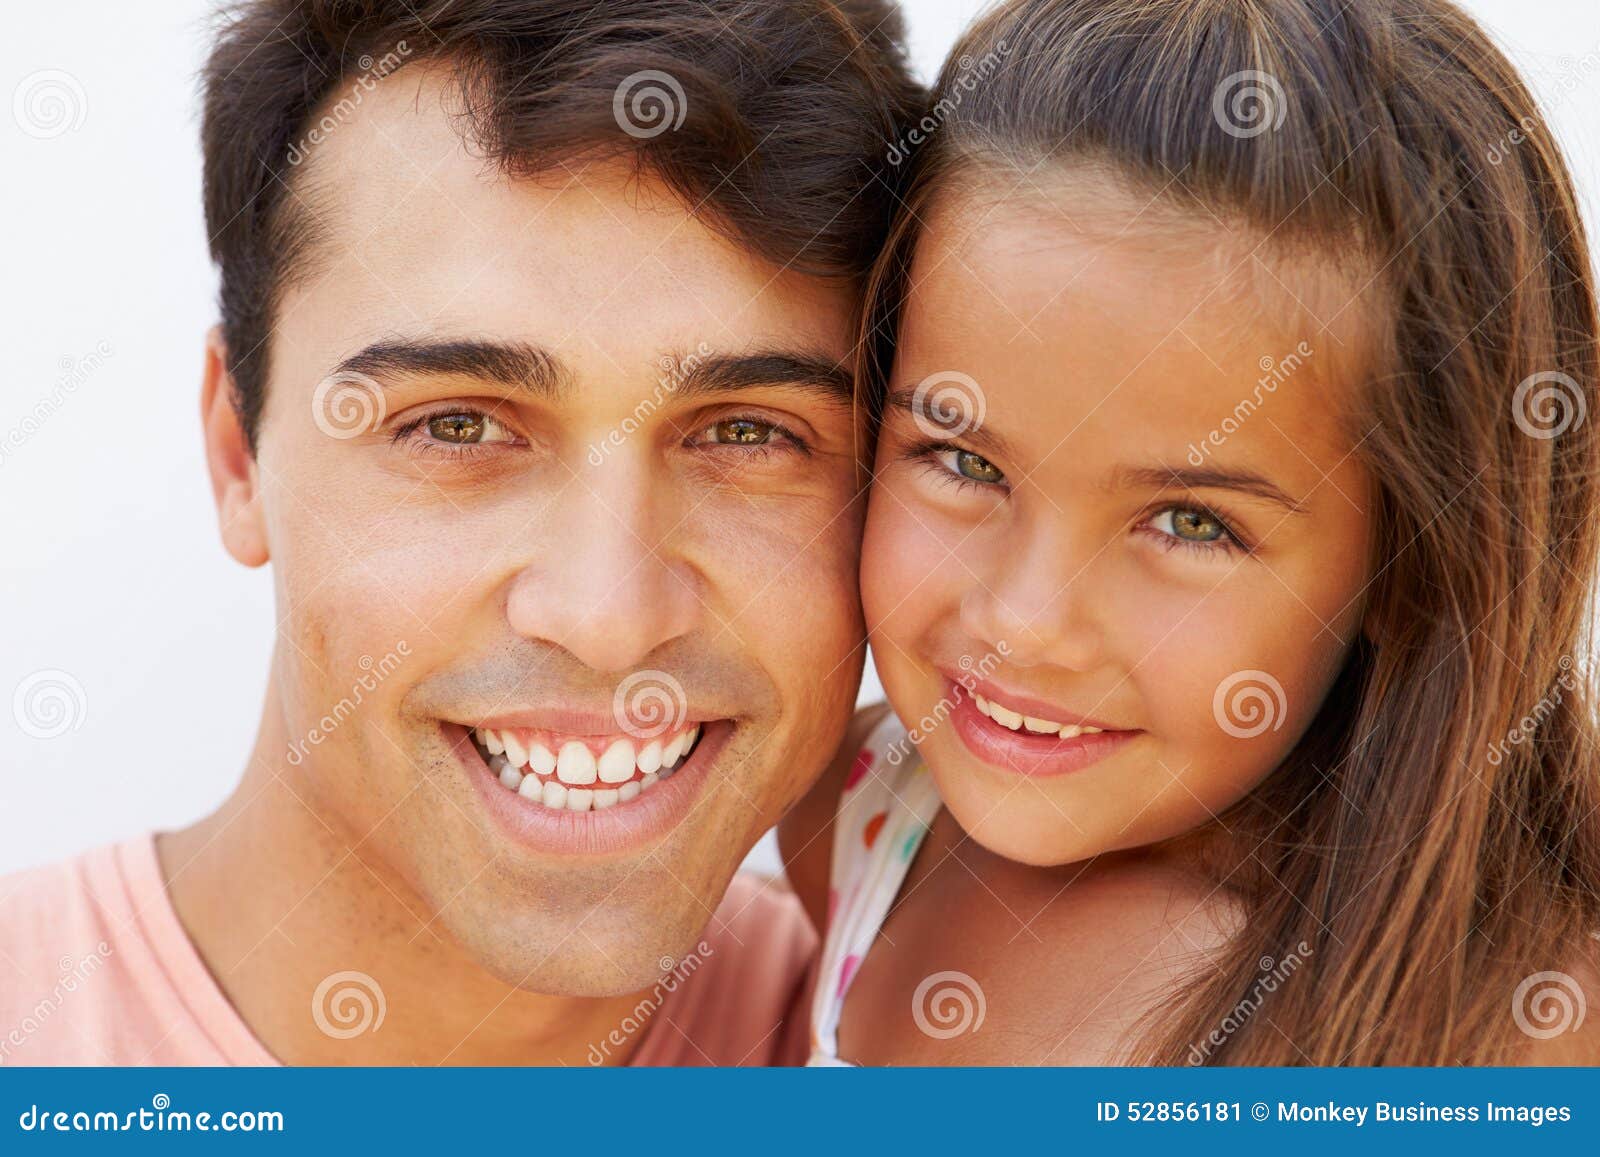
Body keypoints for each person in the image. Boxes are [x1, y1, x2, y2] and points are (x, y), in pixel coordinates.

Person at [0, 0, 920, 1066]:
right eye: (457, 424)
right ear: (238, 454)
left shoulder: (950, 1057)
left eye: (748, 432)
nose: (607, 618)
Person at [783, 0, 1600, 1065]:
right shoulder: (858, 812)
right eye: (964, 461)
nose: (1025, 622)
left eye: (1188, 522)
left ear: (1409, 565)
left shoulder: (1500, 1037)